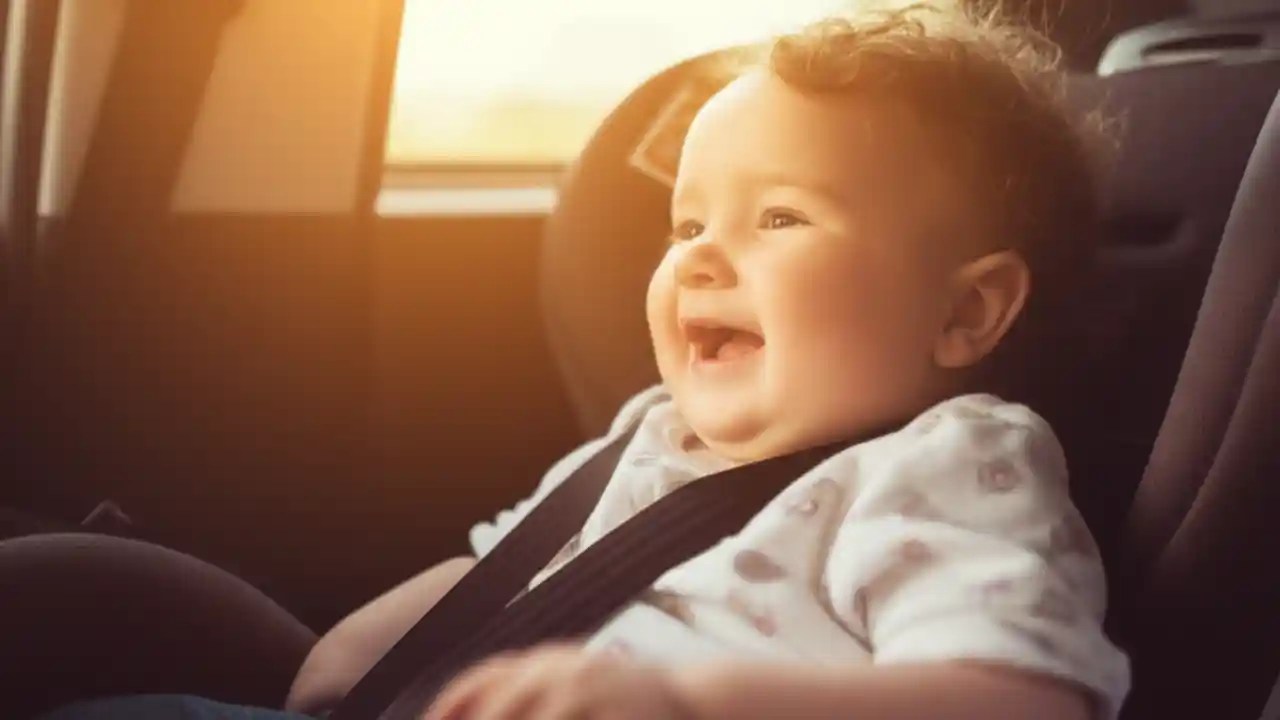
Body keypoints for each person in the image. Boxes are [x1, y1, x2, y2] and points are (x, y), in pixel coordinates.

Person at [36, 4, 1130, 719]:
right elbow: (495, 573)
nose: (701, 254)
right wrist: (350, 658)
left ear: (965, 311)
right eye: (684, 223)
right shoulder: (645, 437)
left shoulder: (953, 463)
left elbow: (1018, 699)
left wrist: (688, 706)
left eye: (780, 219)